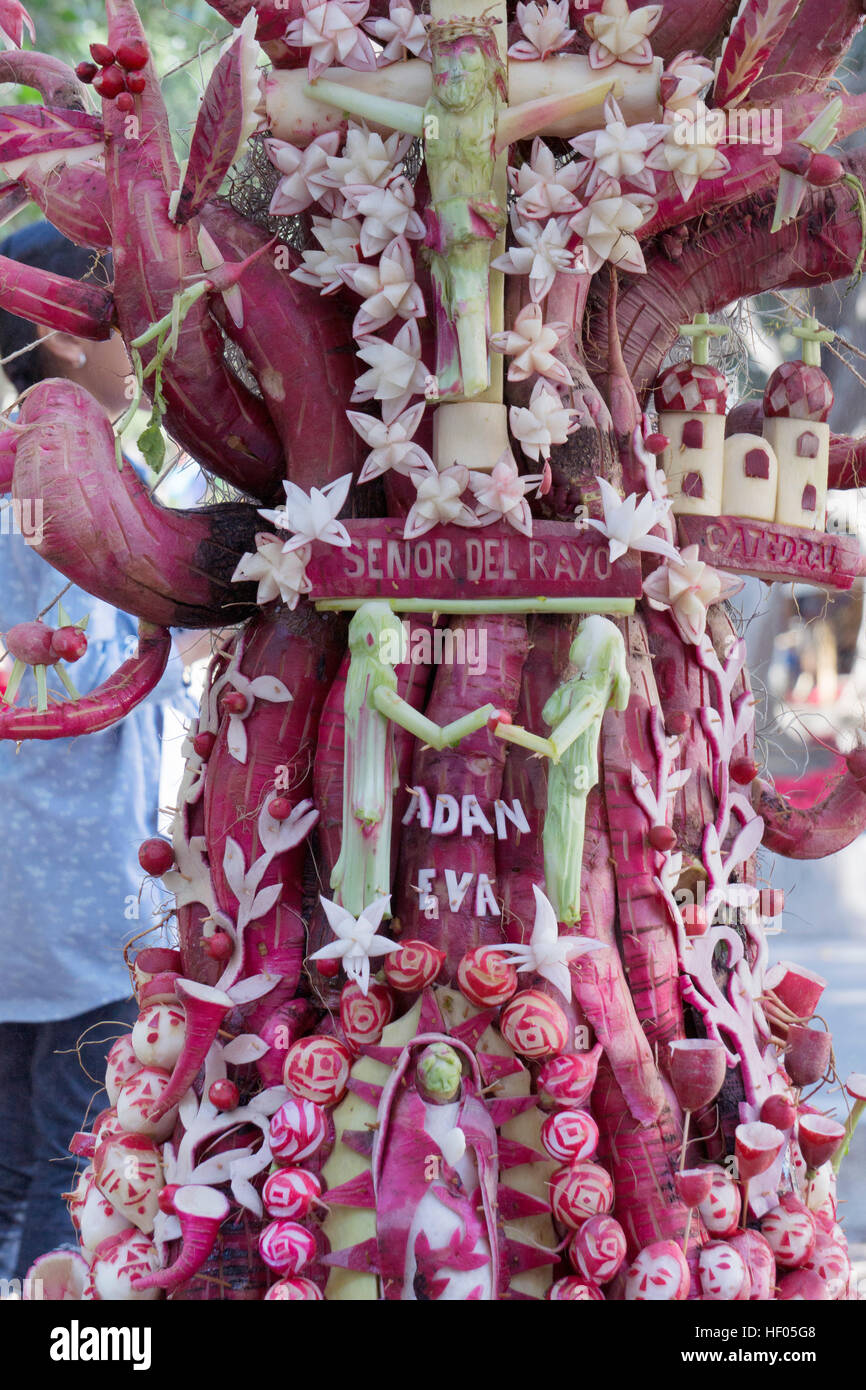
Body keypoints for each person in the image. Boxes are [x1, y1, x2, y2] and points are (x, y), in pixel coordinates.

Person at [0, 221, 196, 1282]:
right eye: (126, 298)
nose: (151, 323)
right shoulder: (67, 486)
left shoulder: (42, 471)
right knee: (66, 1178)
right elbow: (130, 656)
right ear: (62, 335)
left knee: (9, 1168)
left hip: (25, 916)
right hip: (82, 913)